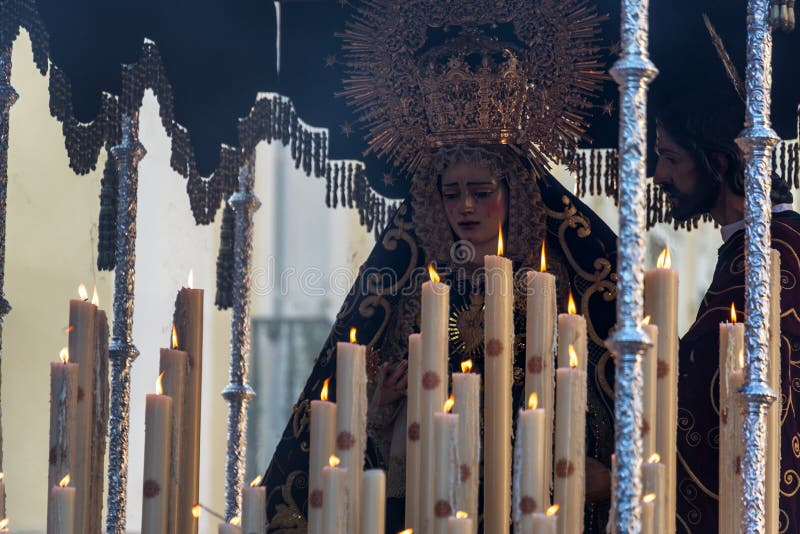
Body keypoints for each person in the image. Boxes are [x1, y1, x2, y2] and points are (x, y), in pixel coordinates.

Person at [261, 2, 619, 531]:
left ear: (514, 192)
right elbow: (363, 434)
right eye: (451, 194)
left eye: (481, 191)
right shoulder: (410, 288)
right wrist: (379, 403)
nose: (466, 208)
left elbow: (605, 401)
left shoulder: (562, 282)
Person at [653, 89, 800, 532]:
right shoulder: (765, 245)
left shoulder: (768, 255)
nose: (658, 174)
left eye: (670, 157)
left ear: (717, 164)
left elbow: (712, 392)